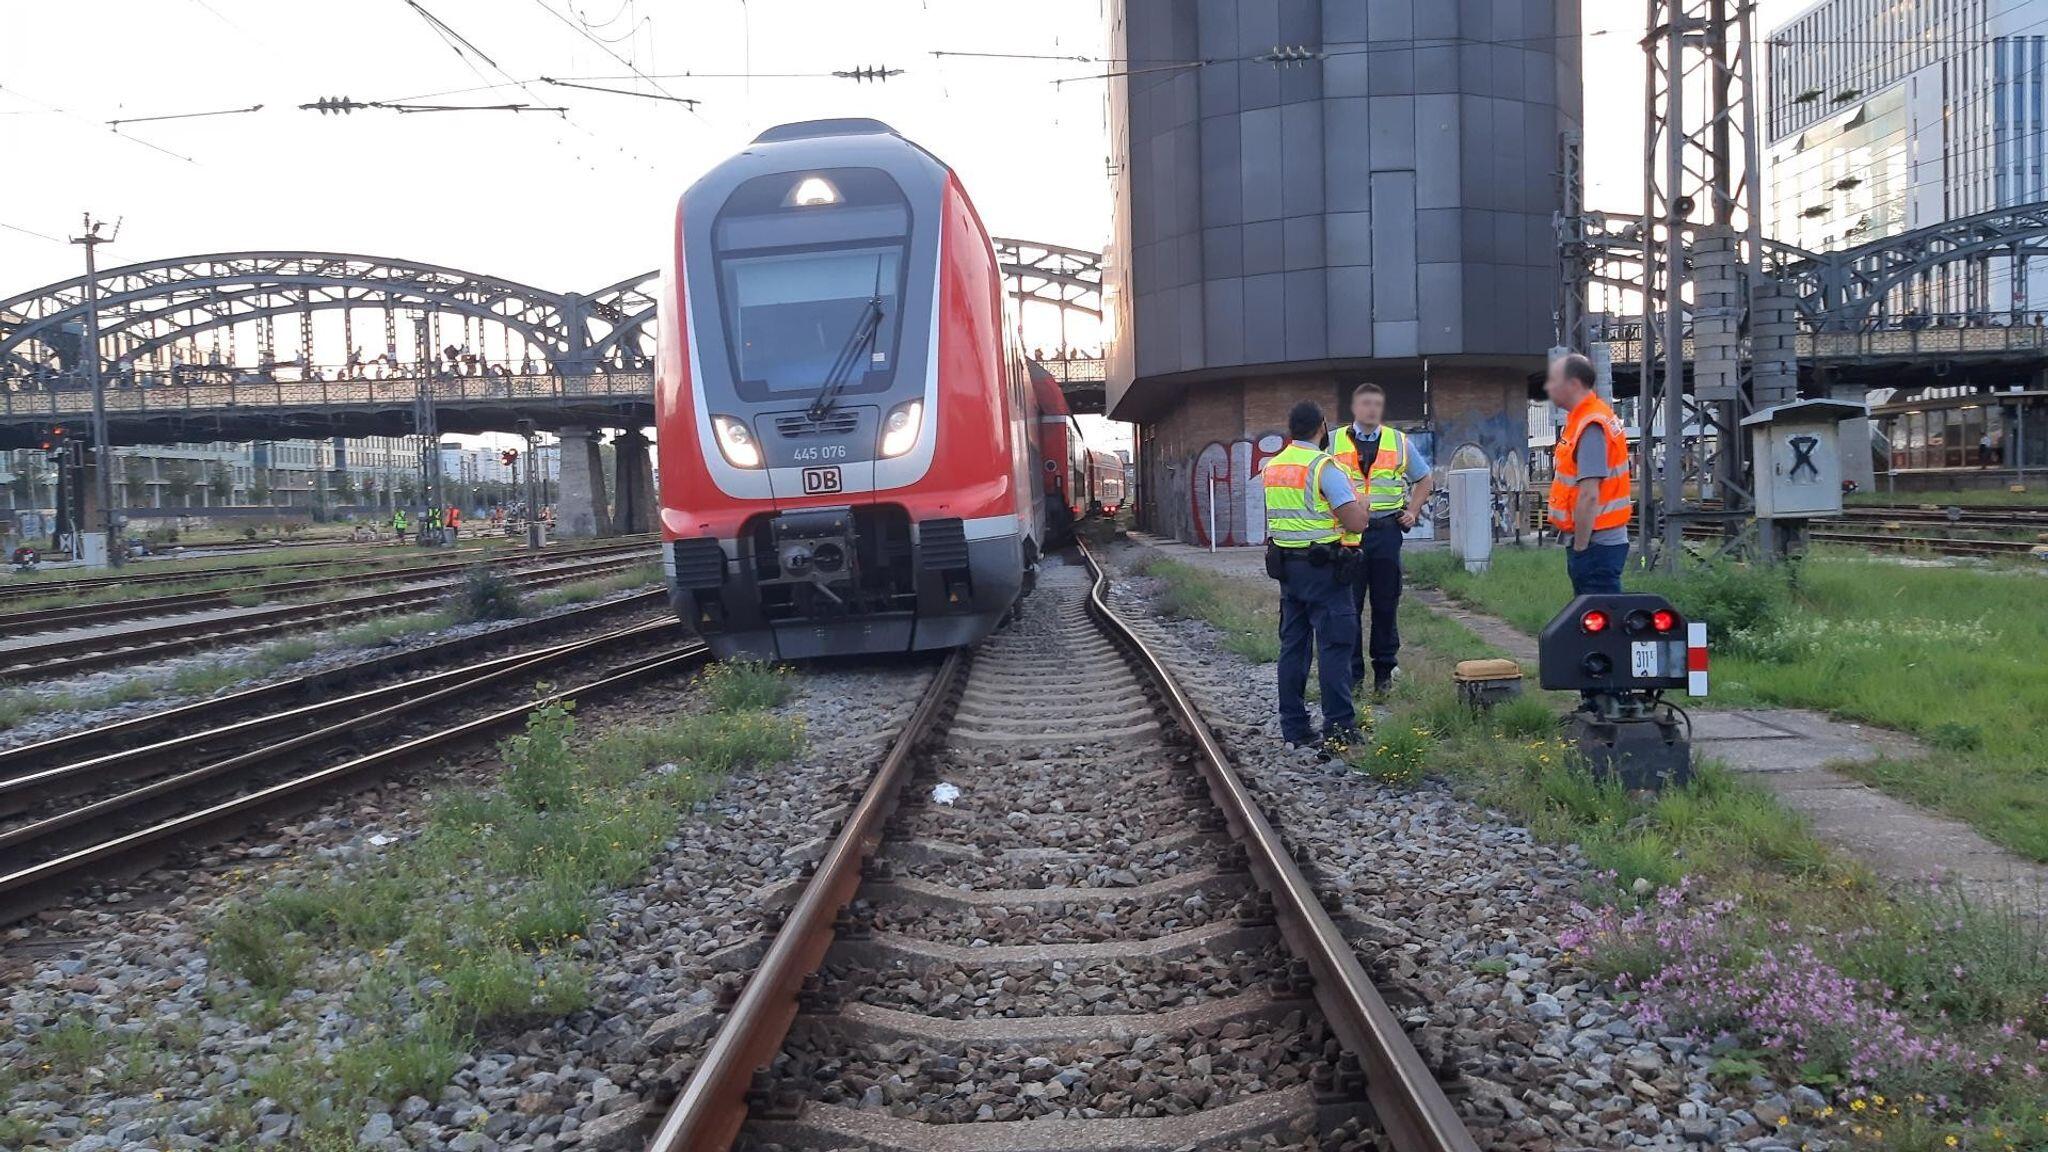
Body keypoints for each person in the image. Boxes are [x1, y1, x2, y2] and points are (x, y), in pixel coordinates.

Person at [1264, 400, 1376, 749]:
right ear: (1323, 427)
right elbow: (1355, 522)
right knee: (1335, 646)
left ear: (1290, 429)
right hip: (1324, 570)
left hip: (1287, 568)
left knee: (1293, 647)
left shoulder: (1274, 466)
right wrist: (1365, 506)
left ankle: (1294, 729)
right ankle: (1340, 727)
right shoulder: (1322, 466)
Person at [1327, 382, 1434, 697]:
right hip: (1348, 534)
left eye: (1376, 404)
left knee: (1386, 603)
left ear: (1381, 408)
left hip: (1386, 531)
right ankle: (1354, 676)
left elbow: (1425, 478)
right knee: (1350, 604)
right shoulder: (1332, 442)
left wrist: (1412, 511)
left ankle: (1384, 673)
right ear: (1355, 408)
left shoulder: (1398, 442)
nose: (1371, 409)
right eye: (1365, 403)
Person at [1543, 352, 1634, 594]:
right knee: (1595, 621)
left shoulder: (1591, 425)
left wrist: (1581, 547)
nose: (1547, 387)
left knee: (1599, 621)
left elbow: (1589, 495)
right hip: (1599, 540)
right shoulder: (1585, 418)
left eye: (1553, 380)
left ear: (1573, 384)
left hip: (1596, 543)